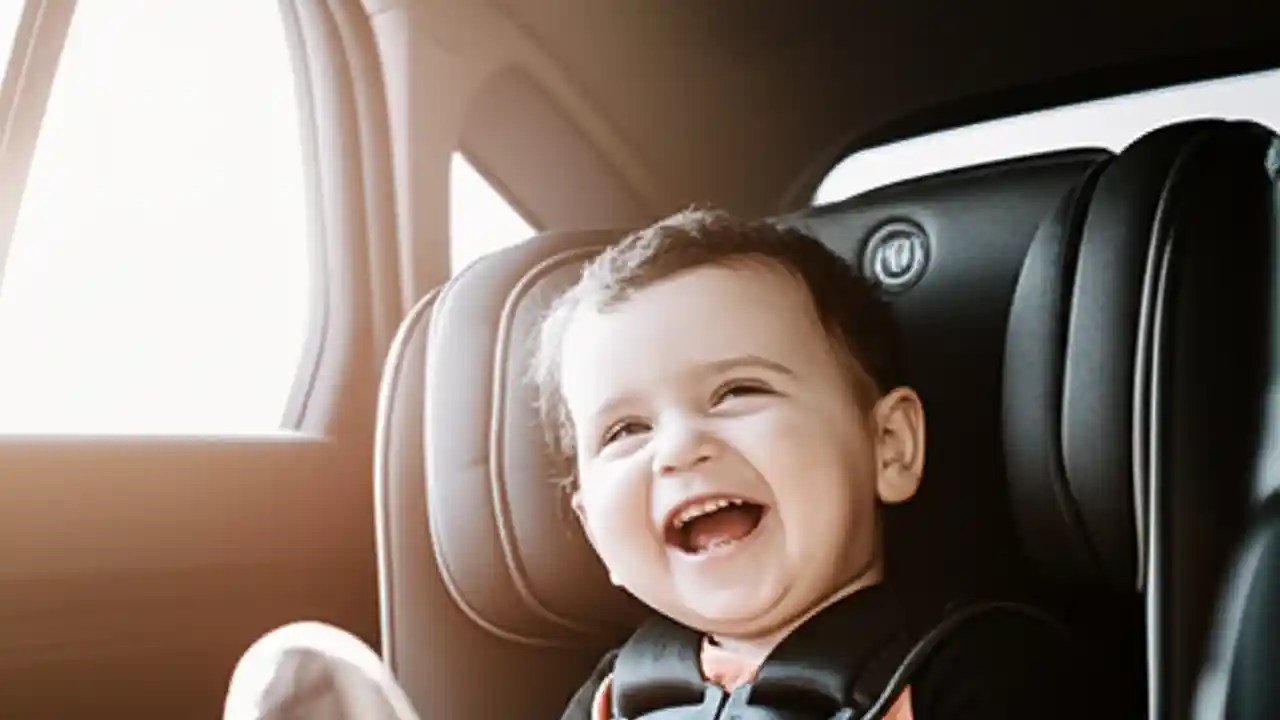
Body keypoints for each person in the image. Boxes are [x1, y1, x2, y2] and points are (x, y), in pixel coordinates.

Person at [224, 208, 1084, 720]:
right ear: (593, 527)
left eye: (739, 391)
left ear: (887, 446)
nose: (679, 448)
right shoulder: (615, 696)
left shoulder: (980, 671)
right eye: (624, 432)